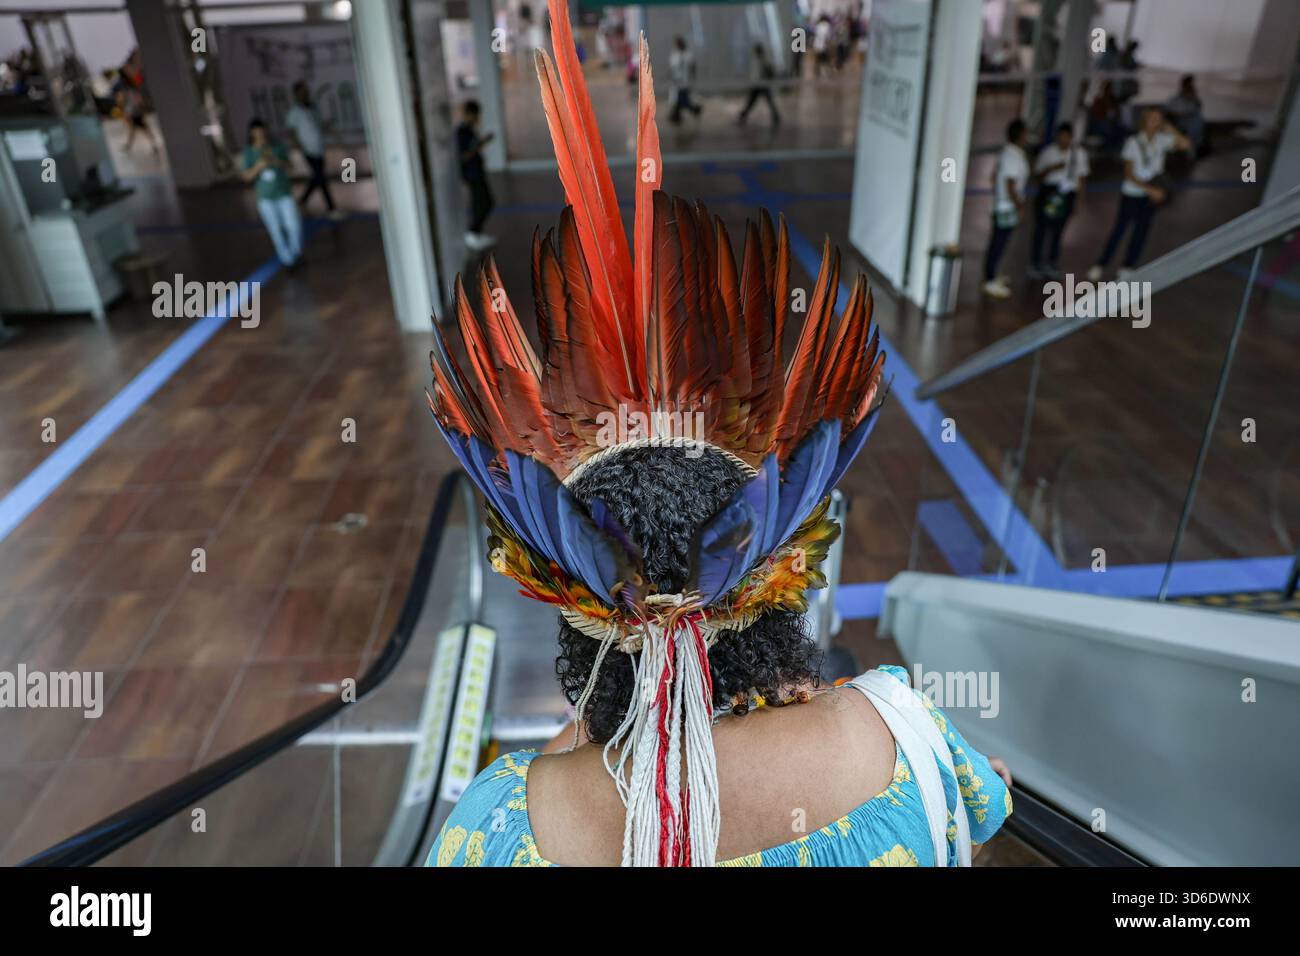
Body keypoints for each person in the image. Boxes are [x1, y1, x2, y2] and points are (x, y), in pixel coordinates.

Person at [425, 0, 1013, 868]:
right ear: (781, 570)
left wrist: (602, 723)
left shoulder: (509, 821)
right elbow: (986, 801)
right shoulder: (902, 733)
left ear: (574, 603)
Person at [1088, 107, 1190, 280]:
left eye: (1159, 119)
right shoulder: (1133, 142)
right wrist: (1151, 190)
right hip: (1133, 194)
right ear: (1144, 121)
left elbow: (1185, 144)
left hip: (1150, 196)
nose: (1155, 122)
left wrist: (1169, 127)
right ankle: (1101, 264)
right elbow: (1129, 174)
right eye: (1152, 118)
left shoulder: (1162, 140)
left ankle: (1127, 266)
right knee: (1119, 231)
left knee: (1141, 232)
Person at [1029, 122, 1089, 279]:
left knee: (1058, 230)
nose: (1063, 141)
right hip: (1049, 192)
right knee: (1042, 228)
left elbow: (1082, 178)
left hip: (1067, 194)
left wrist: (1079, 200)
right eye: (1060, 138)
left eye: (1066, 138)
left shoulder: (1079, 154)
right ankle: (1035, 263)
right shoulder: (1048, 153)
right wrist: (1052, 168)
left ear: (1071, 138)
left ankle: (1051, 262)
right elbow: (1037, 176)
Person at [240, 118, 302, 270]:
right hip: (265, 199)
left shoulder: (277, 147)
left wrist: (276, 161)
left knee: (293, 225)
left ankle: (295, 253)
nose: (260, 134)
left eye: (262, 130)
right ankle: (287, 260)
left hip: (283, 194)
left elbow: (290, 165)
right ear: (252, 133)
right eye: (256, 131)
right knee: (275, 230)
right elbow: (245, 176)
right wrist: (258, 167)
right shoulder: (249, 152)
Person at [982, 118, 1030, 299]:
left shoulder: (1007, 153)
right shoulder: (1013, 157)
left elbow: (994, 177)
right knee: (999, 241)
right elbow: (1010, 184)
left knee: (999, 240)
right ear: (1020, 135)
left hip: (1001, 203)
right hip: (1006, 206)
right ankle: (990, 279)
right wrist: (1019, 206)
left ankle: (993, 273)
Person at [286, 81, 345, 221]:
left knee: (317, 178)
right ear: (296, 94)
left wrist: (331, 129)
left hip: (319, 148)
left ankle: (302, 201)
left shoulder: (313, 108)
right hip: (308, 150)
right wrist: (298, 147)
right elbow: (292, 131)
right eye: (302, 91)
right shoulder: (295, 112)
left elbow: (319, 125)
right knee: (321, 178)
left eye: (306, 91)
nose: (305, 94)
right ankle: (331, 209)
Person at [456, 100, 496, 251]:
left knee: (483, 202)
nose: (477, 118)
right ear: (469, 114)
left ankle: (476, 233)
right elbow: (464, 156)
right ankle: (472, 233)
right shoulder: (462, 132)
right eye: (475, 115)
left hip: (477, 172)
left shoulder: (469, 129)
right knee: (484, 203)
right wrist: (481, 143)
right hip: (472, 174)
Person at [737, 43, 780, 127]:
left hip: (760, 85)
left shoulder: (762, 61)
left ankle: (744, 115)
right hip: (760, 84)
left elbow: (760, 73)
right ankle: (776, 116)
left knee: (753, 101)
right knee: (756, 101)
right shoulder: (762, 60)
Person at [1165, 74, 1206, 157]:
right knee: (1195, 124)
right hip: (1180, 119)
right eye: (1189, 84)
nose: (1190, 86)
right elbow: (1170, 111)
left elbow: (1198, 106)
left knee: (1197, 121)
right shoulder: (1176, 99)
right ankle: (1193, 147)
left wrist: (1193, 97)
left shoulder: (1192, 97)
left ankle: (1195, 146)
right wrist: (1182, 114)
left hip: (1190, 118)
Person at [668, 36, 701, 124]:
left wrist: (691, 78)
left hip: (682, 82)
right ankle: (677, 116)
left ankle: (693, 110)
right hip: (680, 82)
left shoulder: (683, 55)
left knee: (681, 100)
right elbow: (692, 67)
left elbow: (692, 67)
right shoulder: (682, 55)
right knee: (681, 100)